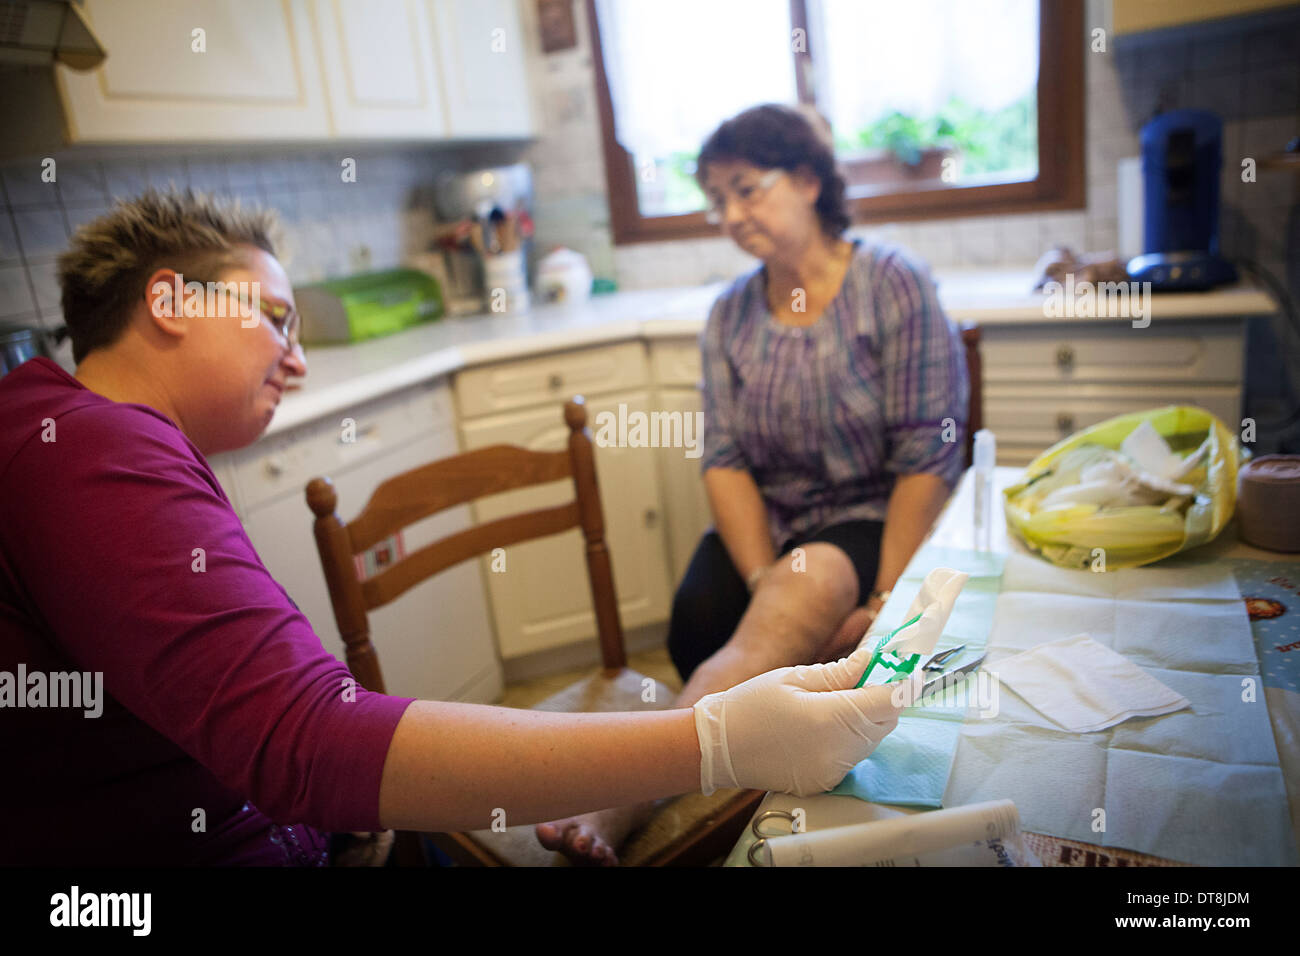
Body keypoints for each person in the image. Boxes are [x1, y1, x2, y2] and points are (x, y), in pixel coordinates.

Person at [0, 188, 914, 866]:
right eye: (276, 318)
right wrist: (715, 743)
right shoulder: (90, 455)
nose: (299, 360)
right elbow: (306, 740)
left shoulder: (69, 429)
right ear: (168, 303)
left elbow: (252, 728)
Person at [535, 104, 968, 863]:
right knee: (701, 620)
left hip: (869, 516)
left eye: (745, 190)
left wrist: (881, 601)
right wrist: (763, 573)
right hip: (773, 523)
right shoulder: (730, 314)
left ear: (807, 181)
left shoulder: (893, 285)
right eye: (717, 200)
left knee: (773, 627)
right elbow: (726, 458)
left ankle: (623, 793)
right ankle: (747, 768)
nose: (729, 216)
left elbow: (924, 459)